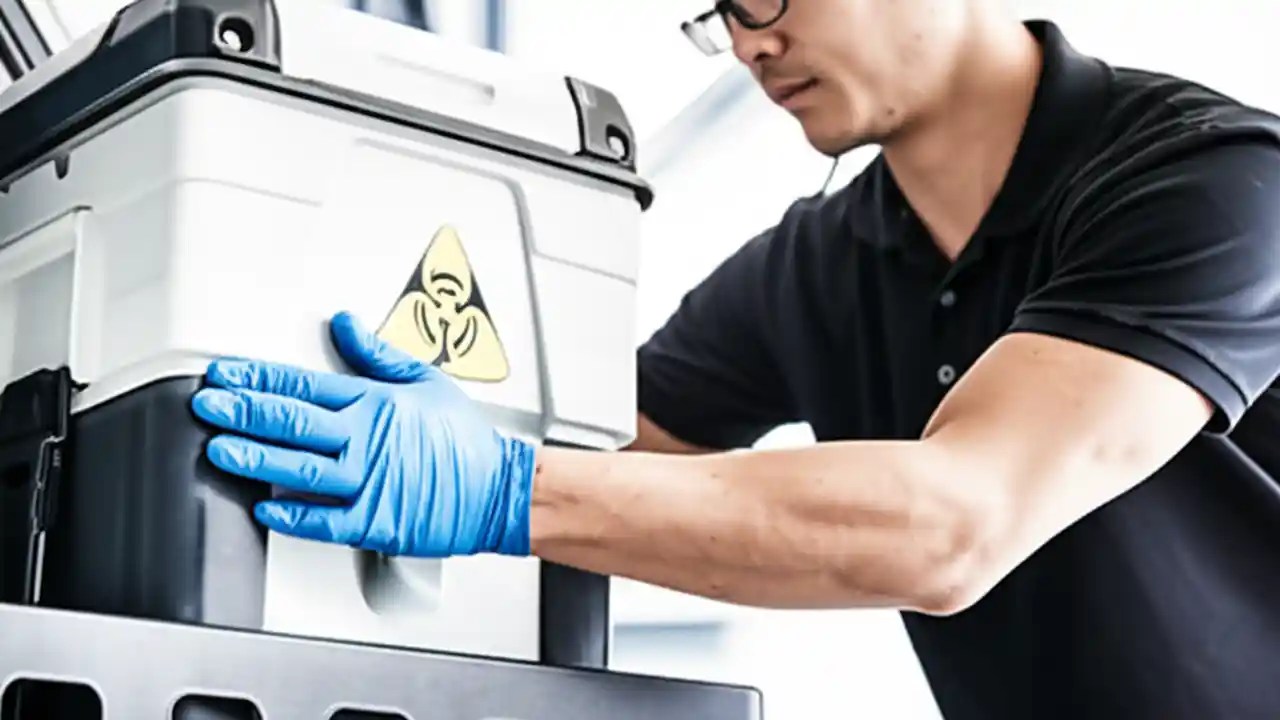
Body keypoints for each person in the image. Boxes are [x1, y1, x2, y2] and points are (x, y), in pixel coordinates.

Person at [189, 1, 1280, 717]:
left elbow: (954, 523)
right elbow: (614, 464)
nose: (751, 42)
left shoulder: (1210, 182)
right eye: (722, 14)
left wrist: (501, 484)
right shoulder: (813, 264)